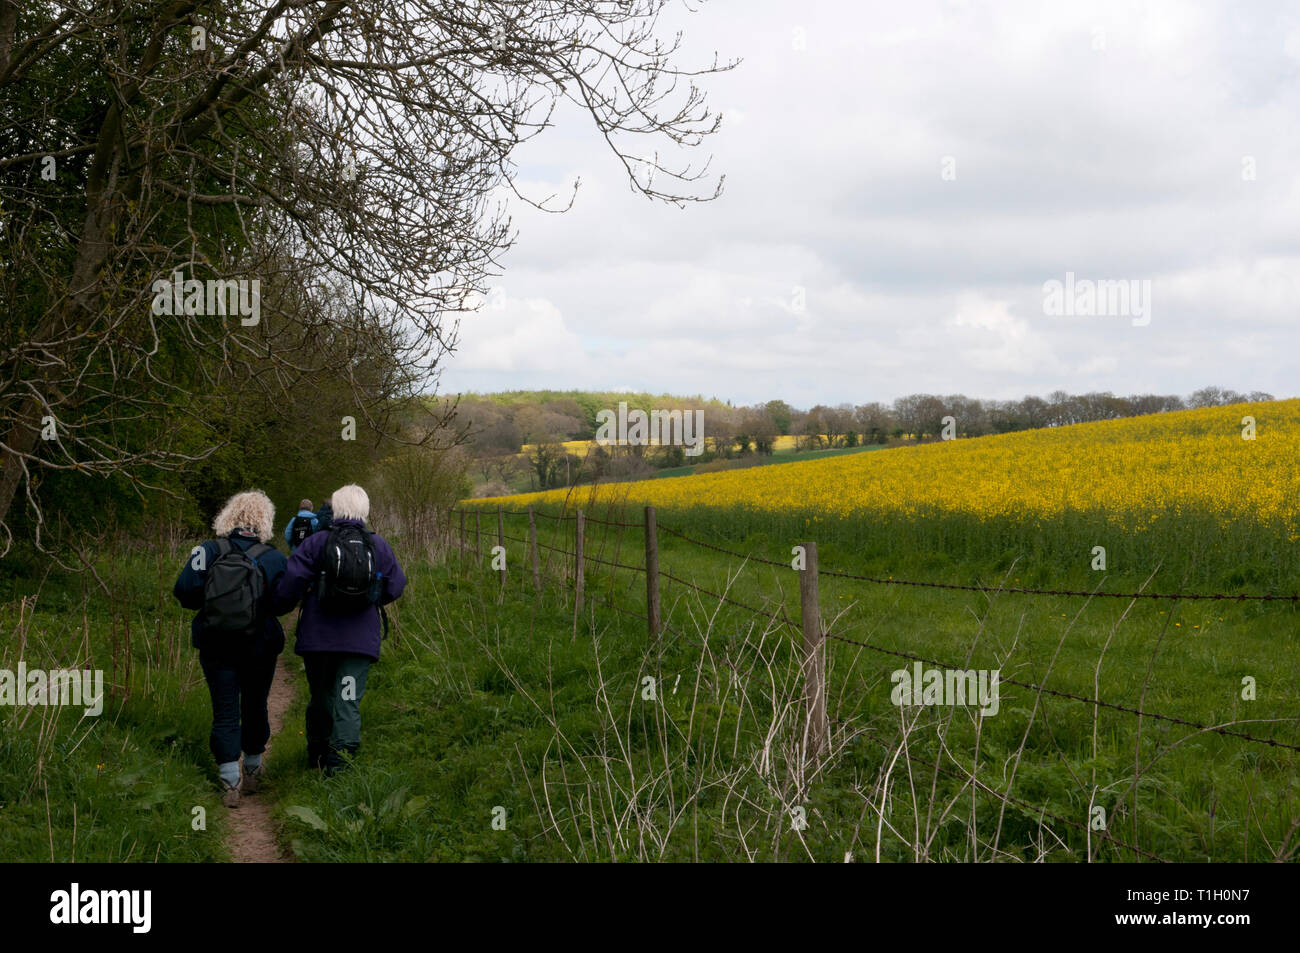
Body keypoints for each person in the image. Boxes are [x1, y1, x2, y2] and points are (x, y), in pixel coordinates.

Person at [275, 484, 406, 774]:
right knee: (348, 700)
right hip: (359, 642)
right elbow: (396, 585)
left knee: (321, 696)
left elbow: (291, 582)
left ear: (334, 509)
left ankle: (318, 755)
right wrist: (370, 598)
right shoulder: (378, 545)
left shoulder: (316, 542)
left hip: (319, 639)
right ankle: (342, 765)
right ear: (365, 509)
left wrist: (283, 605)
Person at [173, 490, 290, 807]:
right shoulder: (274, 558)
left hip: (216, 643)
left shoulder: (207, 550)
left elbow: (183, 590)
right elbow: (284, 602)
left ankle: (229, 782)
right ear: (264, 520)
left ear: (229, 516)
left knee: (224, 709)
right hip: (259, 645)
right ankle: (252, 769)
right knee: (255, 703)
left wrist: (212, 604)